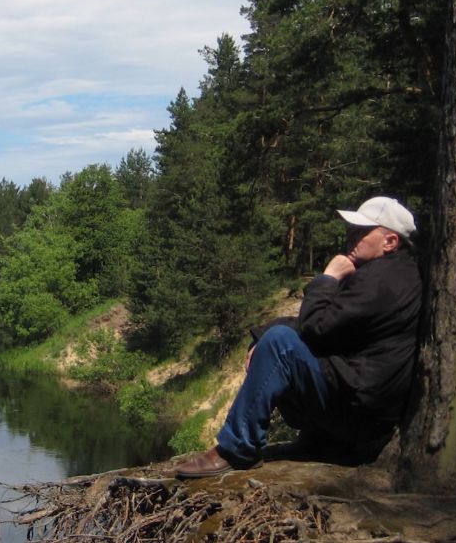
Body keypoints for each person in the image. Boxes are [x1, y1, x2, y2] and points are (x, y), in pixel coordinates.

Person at [175, 196, 423, 478]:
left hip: (360, 417)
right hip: (364, 413)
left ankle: (238, 448)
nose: (351, 237)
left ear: (390, 242)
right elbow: (326, 328)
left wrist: (328, 278)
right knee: (276, 339)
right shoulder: (393, 274)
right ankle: (321, 441)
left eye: (362, 232)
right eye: (352, 230)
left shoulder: (381, 281)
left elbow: (317, 327)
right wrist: (263, 335)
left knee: (281, 344)